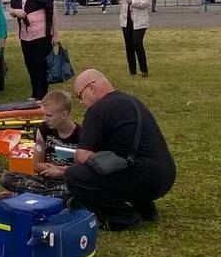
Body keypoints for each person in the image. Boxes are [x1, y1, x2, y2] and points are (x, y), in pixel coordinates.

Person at [66, 69, 175, 230]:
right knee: (117, 161)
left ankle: (124, 219)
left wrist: (63, 168)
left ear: (91, 88)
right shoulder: (132, 101)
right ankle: (144, 208)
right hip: (166, 176)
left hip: (142, 179)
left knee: (75, 175)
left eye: (80, 96)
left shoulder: (97, 110)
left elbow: (82, 155)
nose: (81, 102)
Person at [1, 89, 80, 198]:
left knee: (75, 190)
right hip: (46, 178)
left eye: (49, 115)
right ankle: (49, 196)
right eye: (44, 115)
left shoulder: (82, 135)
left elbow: (83, 172)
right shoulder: (43, 130)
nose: (44, 119)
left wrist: (61, 172)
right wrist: (51, 170)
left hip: (68, 181)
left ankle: (28, 195)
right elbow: (36, 165)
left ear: (64, 114)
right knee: (7, 178)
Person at [8, 0, 58, 102]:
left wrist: (56, 34)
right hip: (25, 34)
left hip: (41, 33)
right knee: (30, 63)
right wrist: (16, 11)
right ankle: (34, 92)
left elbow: (53, 13)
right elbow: (11, 9)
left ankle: (42, 94)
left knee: (40, 64)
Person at [112, 0, 152, 77]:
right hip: (126, 20)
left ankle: (144, 70)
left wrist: (133, 2)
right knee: (129, 46)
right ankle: (132, 71)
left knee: (137, 43)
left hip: (139, 20)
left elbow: (147, 3)